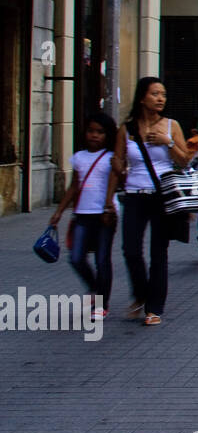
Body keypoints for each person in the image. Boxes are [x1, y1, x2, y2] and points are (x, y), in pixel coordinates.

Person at [112, 77, 193, 325]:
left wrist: (167, 142)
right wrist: (122, 171)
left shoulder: (171, 126)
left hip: (162, 195)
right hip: (136, 194)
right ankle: (140, 292)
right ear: (142, 98)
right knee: (130, 249)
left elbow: (184, 161)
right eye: (155, 94)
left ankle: (154, 307)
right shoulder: (128, 129)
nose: (160, 99)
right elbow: (117, 159)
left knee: (159, 251)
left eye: (163, 94)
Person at [49, 112, 118, 320]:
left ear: (107, 135)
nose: (94, 136)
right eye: (91, 131)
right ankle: (95, 287)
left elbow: (119, 182)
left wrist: (109, 207)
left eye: (100, 132)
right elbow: (73, 187)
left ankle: (102, 303)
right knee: (77, 257)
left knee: (102, 259)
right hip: (82, 213)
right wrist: (59, 211)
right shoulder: (79, 157)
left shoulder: (111, 157)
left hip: (105, 214)